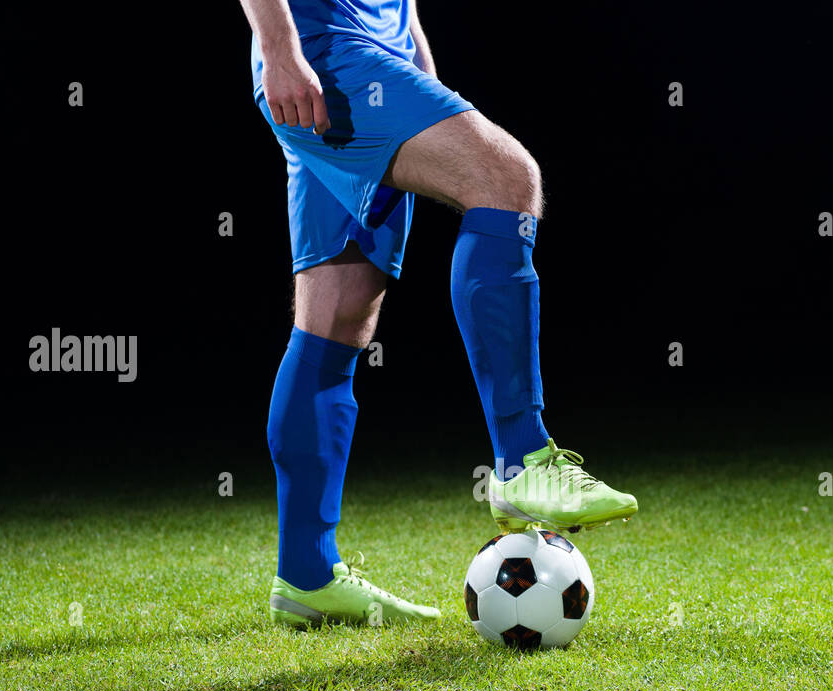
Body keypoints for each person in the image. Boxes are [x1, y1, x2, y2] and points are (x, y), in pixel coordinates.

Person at [240, 0, 638, 627]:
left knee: (338, 316)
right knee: (507, 179)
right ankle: (523, 459)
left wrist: (421, 65)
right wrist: (279, 45)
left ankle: (307, 577)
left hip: (369, 54)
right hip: (324, 54)